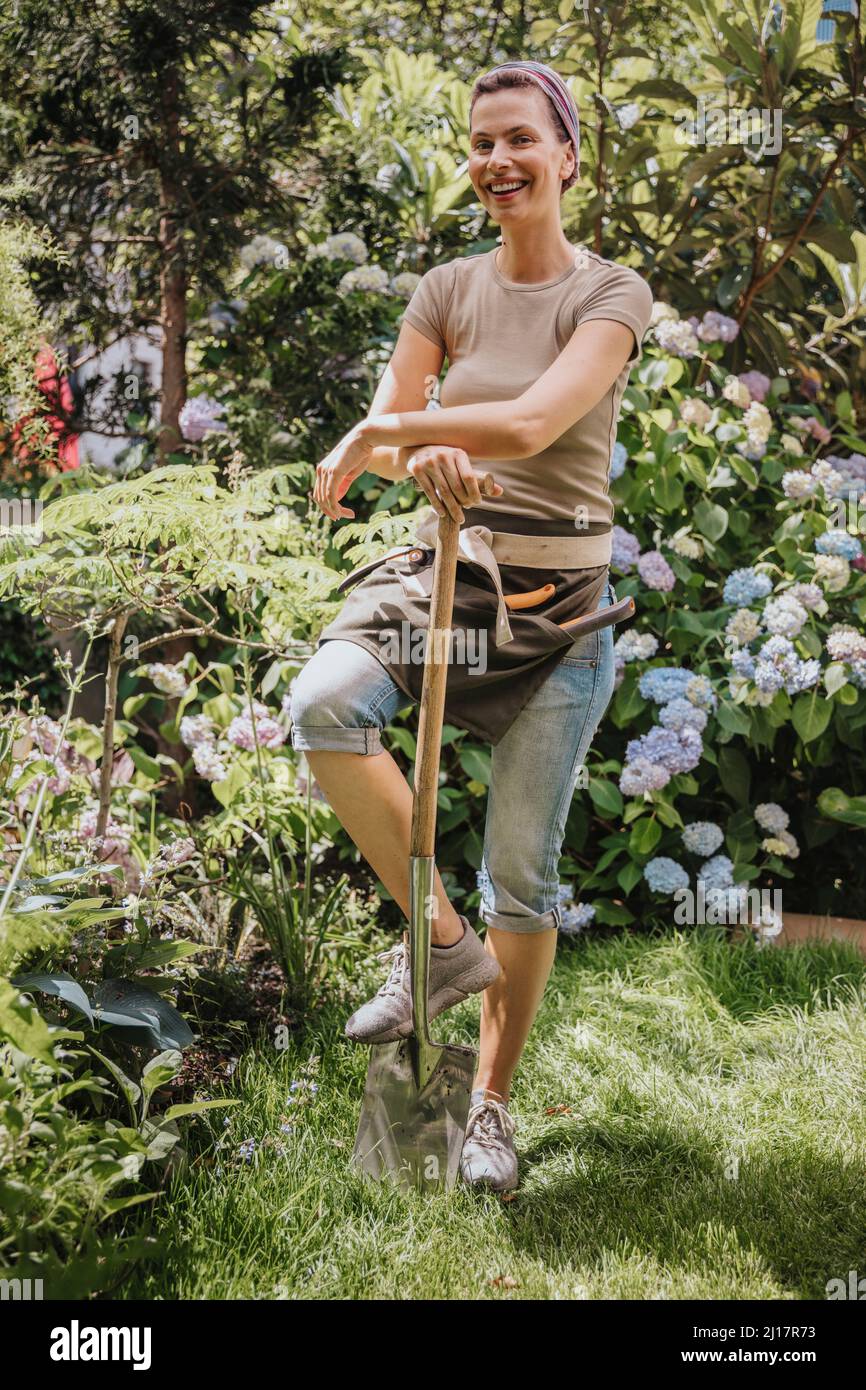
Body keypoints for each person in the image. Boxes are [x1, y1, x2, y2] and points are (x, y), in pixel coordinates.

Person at [291, 59, 654, 1192]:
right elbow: (402, 441)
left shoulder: (611, 292)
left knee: (522, 878)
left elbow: (543, 420)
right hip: (453, 574)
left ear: (566, 156)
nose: (495, 160)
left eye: (517, 140)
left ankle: (487, 1109)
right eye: (479, 142)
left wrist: (405, 432)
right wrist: (419, 447)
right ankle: (443, 949)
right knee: (324, 705)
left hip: (561, 613)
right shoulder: (445, 289)